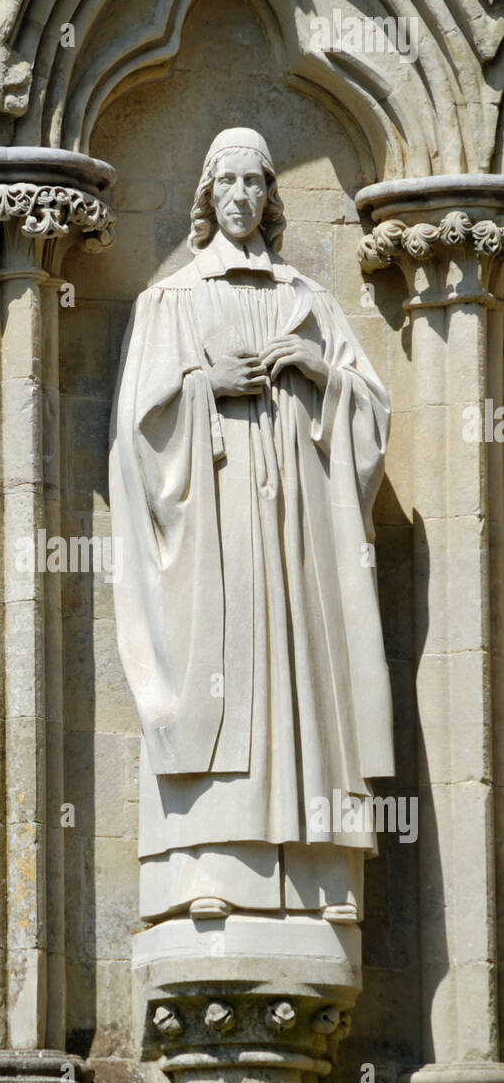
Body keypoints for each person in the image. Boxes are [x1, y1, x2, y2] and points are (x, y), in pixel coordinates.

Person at [109, 128, 393, 925]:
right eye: (226, 183)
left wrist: (315, 372)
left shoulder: (311, 301)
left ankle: (320, 875)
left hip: (300, 529)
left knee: (307, 676)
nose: (240, 197)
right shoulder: (169, 301)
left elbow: (373, 413)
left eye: (253, 184)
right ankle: (210, 866)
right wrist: (205, 387)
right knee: (220, 686)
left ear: (271, 197)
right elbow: (137, 431)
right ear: (207, 195)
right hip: (217, 530)